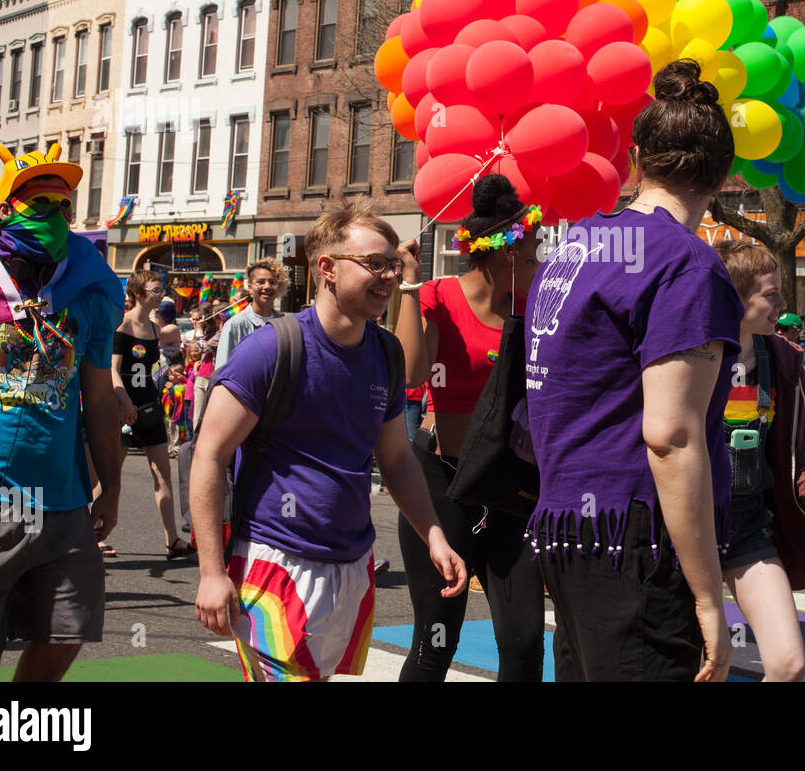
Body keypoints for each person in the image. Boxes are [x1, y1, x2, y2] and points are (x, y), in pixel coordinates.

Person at [524, 60, 740, 682]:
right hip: (633, 531)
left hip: (568, 520)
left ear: (637, 158)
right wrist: (706, 596)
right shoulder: (687, 265)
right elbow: (670, 437)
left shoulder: (575, 244)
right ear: (724, 173)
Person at [191, 198, 467, 682]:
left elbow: (396, 458)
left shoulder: (386, 352)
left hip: (351, 565)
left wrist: (434, 535)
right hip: (275, 560)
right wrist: (212, 573)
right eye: (374, 264)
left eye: (393, 265)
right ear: (327, 268)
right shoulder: (271, 349)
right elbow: (210, 454)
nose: (388, 277)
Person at [0, 144, 124, 681]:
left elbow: (102, 398)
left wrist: (109, 485)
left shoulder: (86, 295)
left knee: (67, 632)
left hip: (62, 503)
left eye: (62, 206)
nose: (52, 215)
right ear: (7, 209)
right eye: (36, 202)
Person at [393, 174, 546, 682]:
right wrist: (410, 285)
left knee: (524, 644)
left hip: (512, 492)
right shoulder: (437, 296)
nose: (539, 262)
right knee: (435, 643)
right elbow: (412, 375)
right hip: (442, 486)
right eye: (531, 253)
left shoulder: (536, 311)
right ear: (504, 254)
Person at [713, 239, 805, 679]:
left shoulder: (782, 358)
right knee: (701, 661)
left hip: (748, 526)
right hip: (681, 531)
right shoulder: (688, 351)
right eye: (770, 293)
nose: (783, 303)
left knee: (788, 663)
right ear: (733, 296)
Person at [113, 272, 192, 561]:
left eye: (161, 289)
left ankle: (172, 540)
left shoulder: (155, 328)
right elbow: (113, 371)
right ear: (138, 292)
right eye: (155, 290)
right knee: (112, 476)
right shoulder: (121, 326)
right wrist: (124, 403)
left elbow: (145, 370)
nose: (161, 294)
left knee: (162, 473)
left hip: (149, 407)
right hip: (123, 410)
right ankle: (96, 535)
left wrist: (165, 375)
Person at [214, 258, 285, 370]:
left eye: (272, 282)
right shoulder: (235, 325)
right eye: (261, 282)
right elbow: (222, 371)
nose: (267, 286)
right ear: (250, 288)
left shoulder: (285, 324)